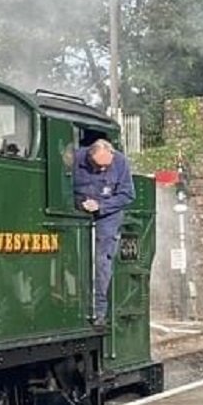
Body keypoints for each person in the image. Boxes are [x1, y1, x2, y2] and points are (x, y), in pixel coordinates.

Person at [74, 138, 134, 323]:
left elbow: (127, 195)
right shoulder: (75, 158)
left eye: (105, 167)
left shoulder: (120, 162)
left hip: (108, 213)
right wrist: (80, 203)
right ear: (89, 157)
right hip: (78, 209)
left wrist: (101, 205)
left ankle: (101, 310)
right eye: (97, 166)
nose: (101, 170)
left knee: (102, 259)